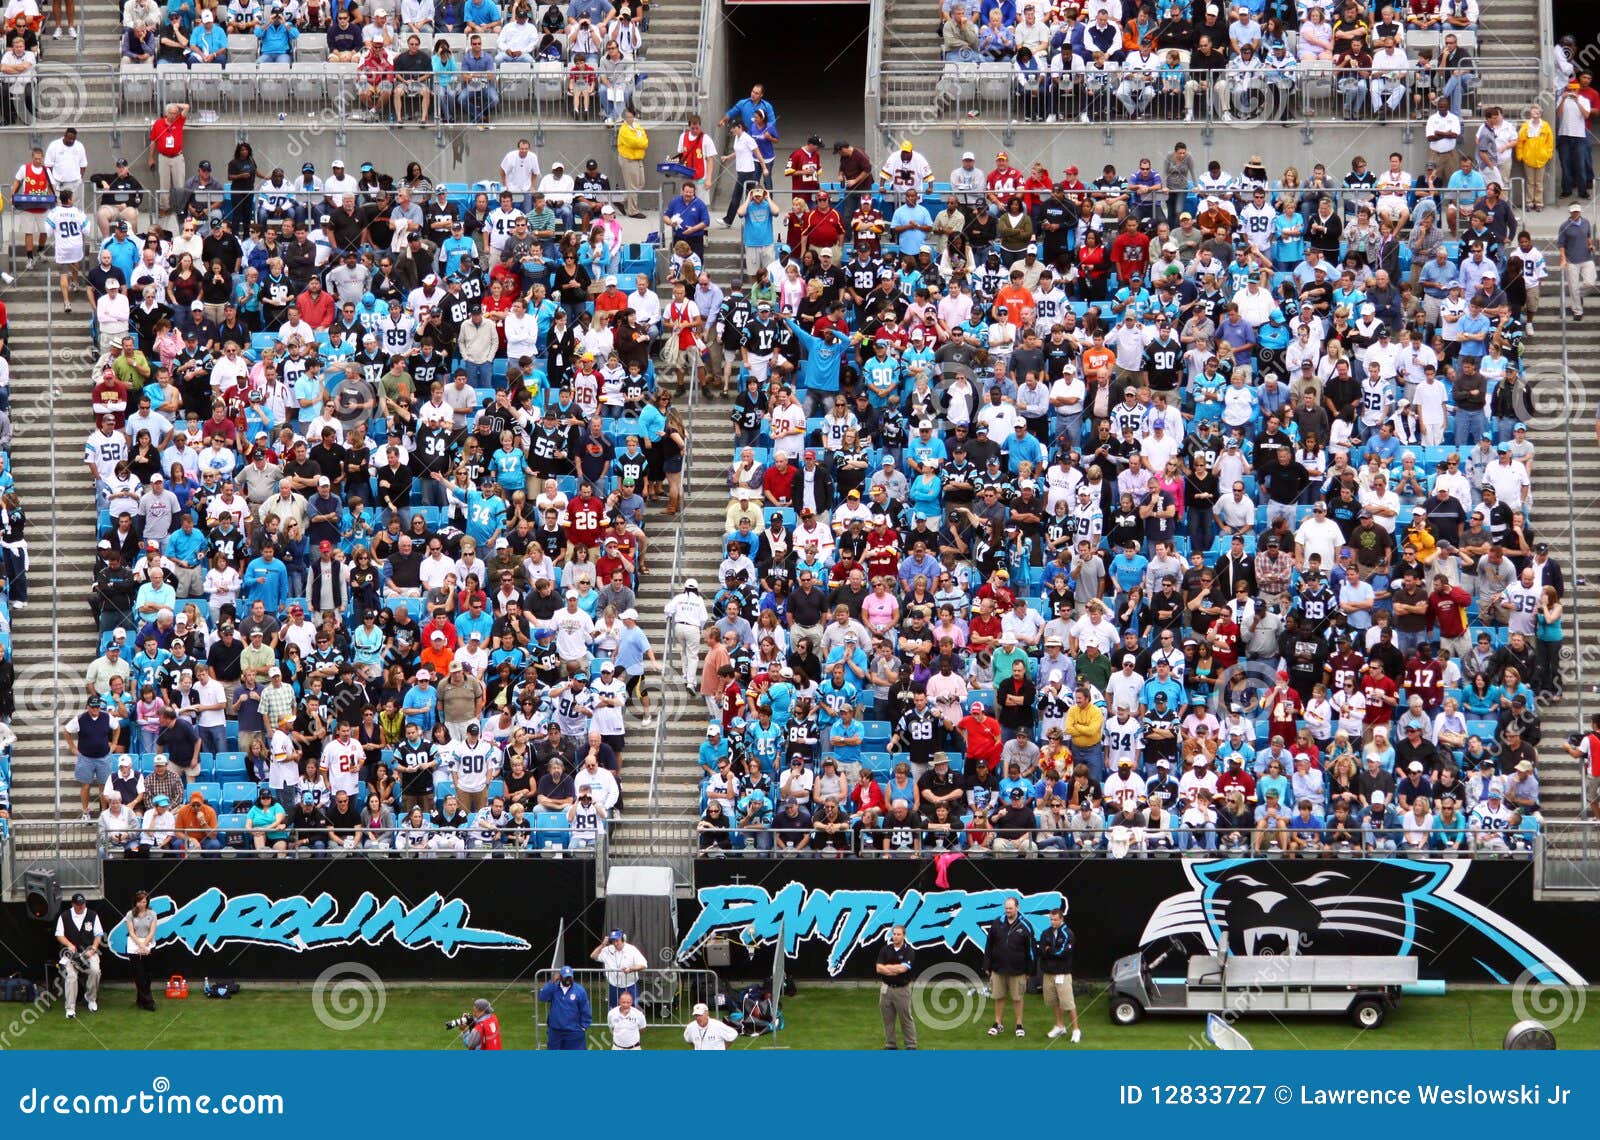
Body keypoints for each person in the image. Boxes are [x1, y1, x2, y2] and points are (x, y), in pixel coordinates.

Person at [981, 895, 1034, 1037]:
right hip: (998, 969)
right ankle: (998, 1023)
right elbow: (989, 945)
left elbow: (1031, 950)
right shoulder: (997, 923)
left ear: (1017, 907)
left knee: (1018, 998)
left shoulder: (1026, 925)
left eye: (1010, 908)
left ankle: (1019, 1025)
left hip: (1018, 970)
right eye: (1006, 908)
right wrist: (987, 964)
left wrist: (1030, 969)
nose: (1008, 911)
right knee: (999, 997)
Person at [54, 892, 102, 1019]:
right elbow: (59, 935)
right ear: (73, 904)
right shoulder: (64, 916)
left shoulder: (93, 915)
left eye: (83, 904)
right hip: (70, 954)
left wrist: (94, 948)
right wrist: (69, 944)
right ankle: (70, 1008)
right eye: (78, 905)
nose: (81, 907)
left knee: (95, 971)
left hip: (88, 951)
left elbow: (98, 935)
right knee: (71, 976)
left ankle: (91, 999)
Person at [1036, 907, 1081, 1042]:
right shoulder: (1045, 933)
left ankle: (1076, 1030)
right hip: (1048, 974)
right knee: (1054, 1002)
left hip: (1062, 974)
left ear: (1061, 919)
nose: (1053, 922)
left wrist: (1049, 950)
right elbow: (1042, 950)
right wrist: (1049, 950)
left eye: (1055, 919)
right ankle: (1060, 1025)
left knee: (1068, 1004)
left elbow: (1063, 953)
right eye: (1051, 919)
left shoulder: (1068, 933)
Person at [875, 922, 917, 1050]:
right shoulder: (885, 950)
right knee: (887, 1019)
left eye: (898, 934)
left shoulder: (909, 951)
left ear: (904, 936)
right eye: (894, 934)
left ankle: (910, 1045)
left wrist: (887, 968)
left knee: (906, 1019)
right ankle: (890, 1044)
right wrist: (893, 969)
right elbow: (878, 968)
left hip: (902, 990)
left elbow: (903, 968)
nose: (896, 937)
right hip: (886, 989)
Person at [537, 964, 592, 1049]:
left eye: (570, 977)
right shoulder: (554, 988)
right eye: (566, 977)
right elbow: (542, 997)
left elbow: (585, 1008)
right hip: (555, 1030)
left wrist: (584, 1026)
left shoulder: (579, 990)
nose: (568, 980)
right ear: (560, 977)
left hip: (574, 1031)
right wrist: (552, 982)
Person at [591, 927, 648, 1006]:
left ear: (623, 939)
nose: (615, 943)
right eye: (613, 941)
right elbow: (593, 956)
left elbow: (643, 964)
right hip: (613, 986)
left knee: (633, 1009)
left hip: (630, 986)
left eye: (617, 940)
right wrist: (602, 945)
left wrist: (631, 969)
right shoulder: (607, 950)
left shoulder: (632, 950)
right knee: (614, 1010)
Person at [124, 889, 159, 1012]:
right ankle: (149, 1002)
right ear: (136, 902)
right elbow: (131, 932)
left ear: (147, 902)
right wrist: (140, 944)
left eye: (144, 902)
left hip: (148, 945)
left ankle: (141, 1000)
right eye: (139, 902)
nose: (141, 904)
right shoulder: (130, 914)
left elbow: (152, 931)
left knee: (147, 975)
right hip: (134, 947)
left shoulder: (152, 914)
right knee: (139, 975)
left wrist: (145, 945)